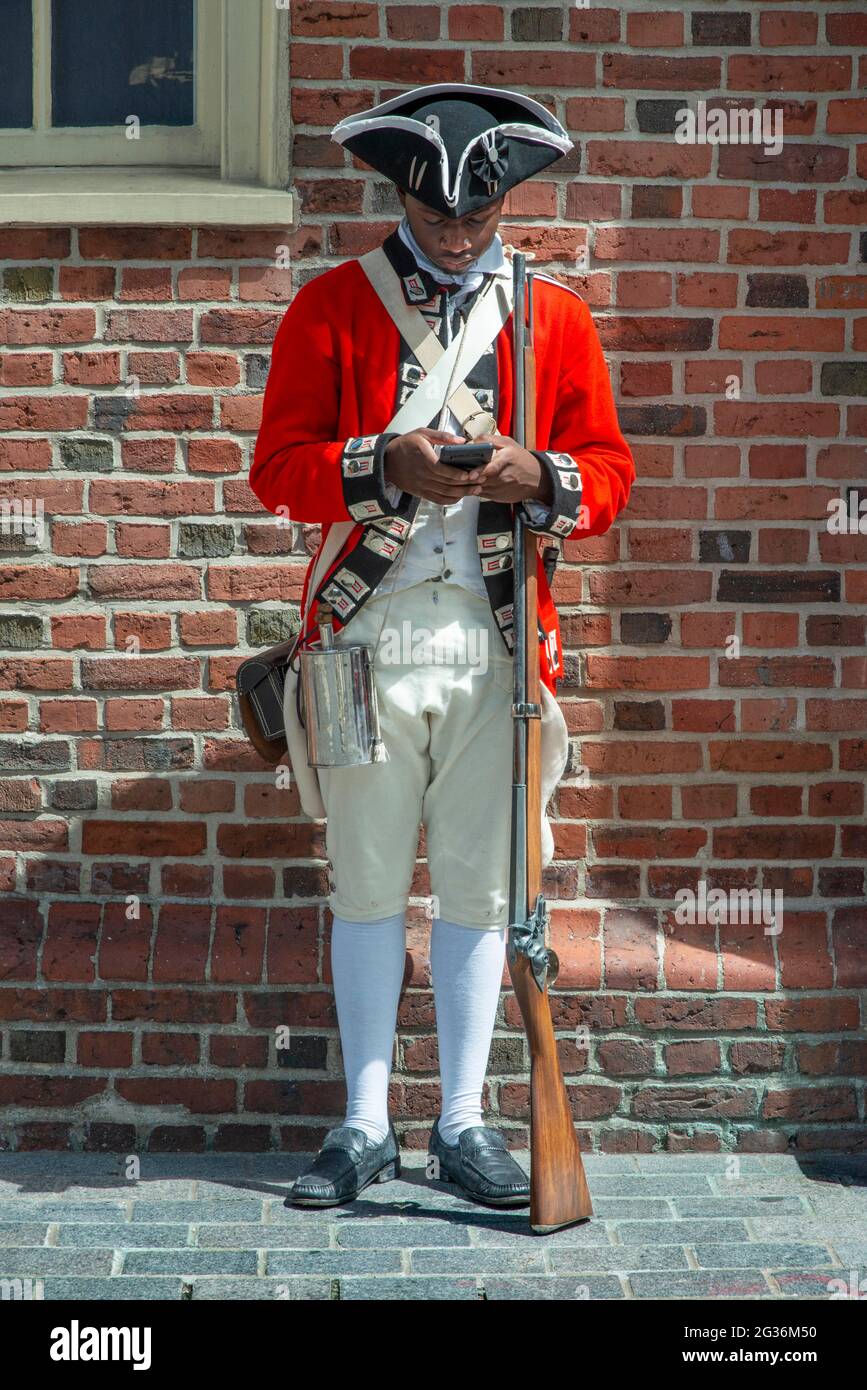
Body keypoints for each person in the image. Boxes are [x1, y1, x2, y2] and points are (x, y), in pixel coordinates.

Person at [250, 82, 635, 1209]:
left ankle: (461, 1121)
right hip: (360, 641)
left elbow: (607, 473)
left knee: (475, 890)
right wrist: (382, 466)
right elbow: (277, 470)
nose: (456, 237)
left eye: (474, 218)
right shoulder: (331, 306)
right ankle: (363, 1124)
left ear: (506, 203)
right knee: (366, 884)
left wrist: (540, 478)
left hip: (498, 649)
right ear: (400, 197)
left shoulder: (555, 316)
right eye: (434, 218)